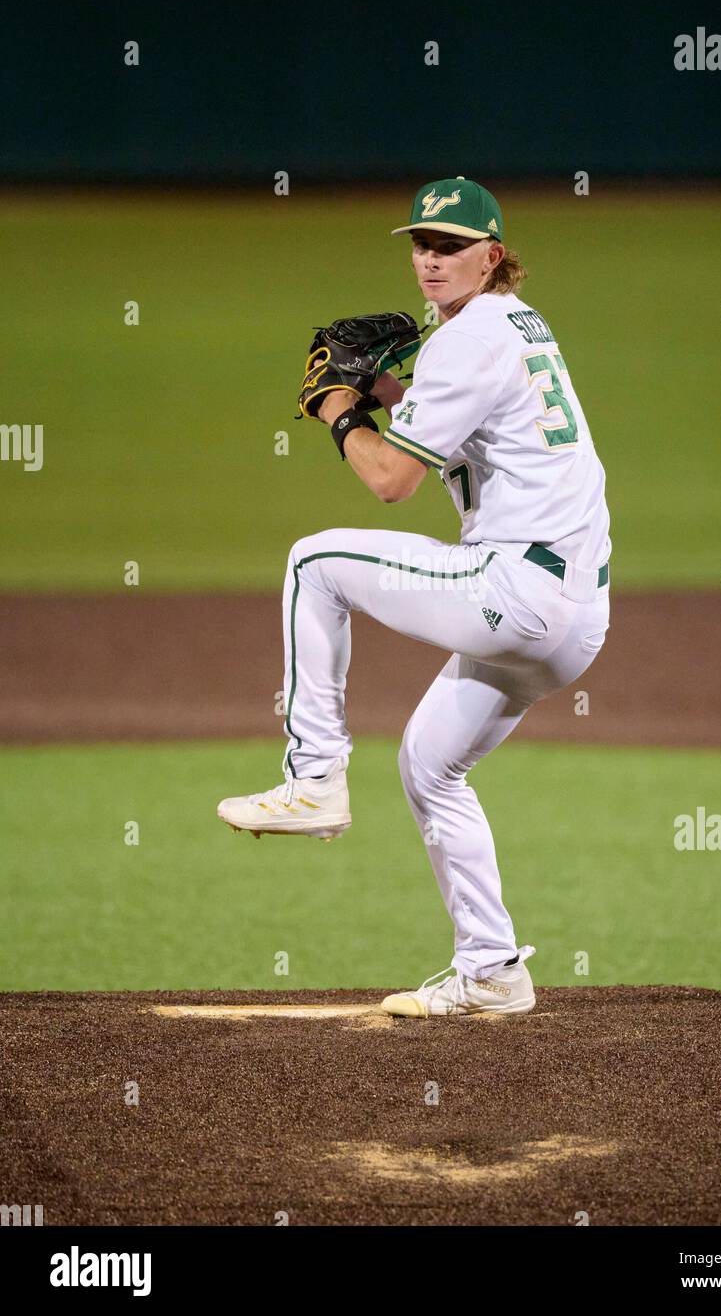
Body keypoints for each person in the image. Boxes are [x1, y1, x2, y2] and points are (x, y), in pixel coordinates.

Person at [217, 176, 611, 1018]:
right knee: (432, 767)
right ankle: (493, 971)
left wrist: (336, 410)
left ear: (493, 255)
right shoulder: (511, 328)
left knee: (313, 563)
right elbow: (462, 428)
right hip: (574, 614)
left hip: (519, 586)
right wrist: (386, 398)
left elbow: (393, 479)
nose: (430, 262)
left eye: (452, 246)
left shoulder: (468, 341)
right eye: (422, 245)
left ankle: (315, 777)